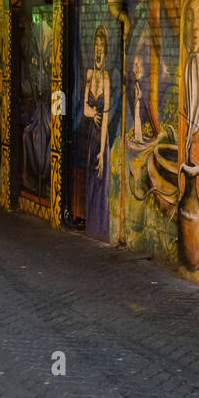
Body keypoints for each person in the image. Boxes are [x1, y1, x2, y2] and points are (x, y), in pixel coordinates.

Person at [83, 25, 111, 239]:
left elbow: (107, 115)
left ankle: (99, 229)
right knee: (90, 181)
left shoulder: (107, 79)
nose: (98, 50)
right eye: (96, 46)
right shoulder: (89, 75)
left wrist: (102, 151)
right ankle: (89, 224)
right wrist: (93, 113)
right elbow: (84, 109)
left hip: (101, 139)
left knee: (100, 182)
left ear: (106, 51)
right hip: (91, 136)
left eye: (102, 46)